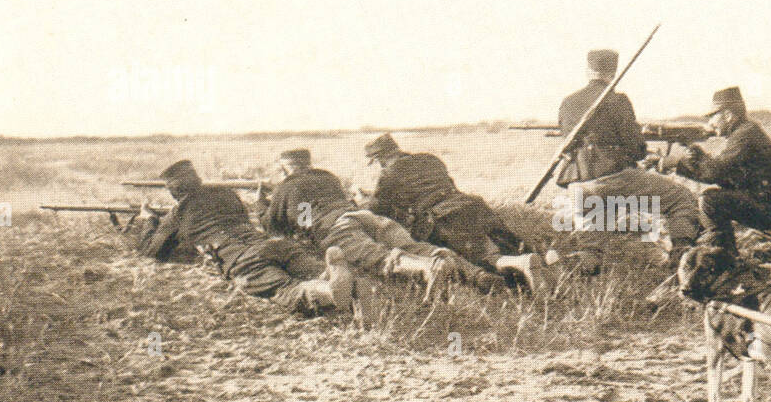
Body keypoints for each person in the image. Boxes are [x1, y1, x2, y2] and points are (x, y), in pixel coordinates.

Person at [126, 160, 353, 315]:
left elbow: (152, 250)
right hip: (274, 244)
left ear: (173, 191)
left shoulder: (179, 213)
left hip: (244, 260)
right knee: (313, 270)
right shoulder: (227, 194)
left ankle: (328, 291)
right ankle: (338, 279)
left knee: (286, 289)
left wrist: (149, 218)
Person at [261, 148, 500, 293]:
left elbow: (273, 227)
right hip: (366, 217)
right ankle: (477, 275)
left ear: (285, 169)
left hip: (337, 226)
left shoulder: (286, 188)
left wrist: (264, 202)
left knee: (377, 257)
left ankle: (427, 268)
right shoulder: (328, 178)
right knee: (418, 247)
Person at [556, 48, 701, 272]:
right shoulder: (618, 100)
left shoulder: (568, 102)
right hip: (614, 179)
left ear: (588, 71)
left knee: (591, 248)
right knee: (681, 198)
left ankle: (561, 268)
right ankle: (682, 261)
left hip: (579, 185)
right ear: (613, 73)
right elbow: (636, 149)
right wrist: (648, 152)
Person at [362, 133, 547, 290]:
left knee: (483, 257)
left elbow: (377, 210)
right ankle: (540, 265)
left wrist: (366, 199)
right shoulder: (430, 159)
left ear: (379, 159)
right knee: (510, 243)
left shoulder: (388, 175)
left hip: (445, 216)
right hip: (472, 205)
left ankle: (520, 264)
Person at [665, 86, 771, 256]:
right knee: (708, 203)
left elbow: (714, 173)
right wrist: (693, 154)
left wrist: (677, 164)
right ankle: (717, 254)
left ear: (728, 115)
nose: (710, 123)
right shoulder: (746, 131)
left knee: (710, 201)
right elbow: (725, 175)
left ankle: (723, 257)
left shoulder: (745, 135)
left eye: (712, 116)